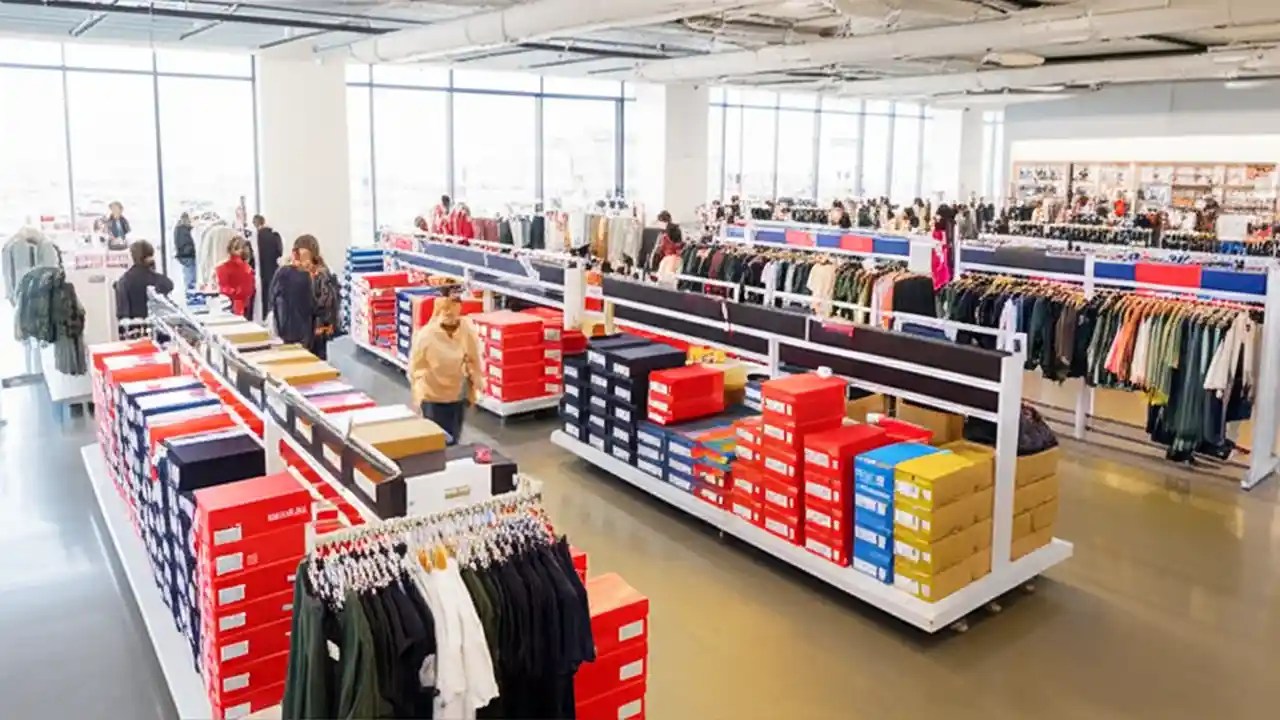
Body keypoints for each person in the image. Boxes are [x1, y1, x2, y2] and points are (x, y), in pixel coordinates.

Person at [408, 287, 483, 445]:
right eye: (446, 310)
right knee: (435, 441)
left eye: (454, 309)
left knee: (453, 439)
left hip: (457, 396)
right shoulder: (426, 336)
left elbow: (473, 359)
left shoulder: (466, 330)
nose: (450, 314)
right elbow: (415, 370)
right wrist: (419, 397)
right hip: (433, 397)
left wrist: (474, 387)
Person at [115, 240, 174, 320]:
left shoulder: (124, 280)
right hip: (157, 325)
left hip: (136, 327)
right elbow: (169, 286)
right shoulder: (158, 279)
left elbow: (122, 313)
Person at [216, 235, 256, 319]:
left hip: (227, 304)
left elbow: (223, 288)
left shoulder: (221, 267)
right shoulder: (247, 269)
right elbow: (249, 290)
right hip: (242, 305)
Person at [252, 214, 283, 318]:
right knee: (271, 296)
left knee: (261, 299)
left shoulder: (254, 237)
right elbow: (280, 252)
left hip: (259, 272)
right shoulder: (274, 235)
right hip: (273, 269)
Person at [173, 212, 197, 291]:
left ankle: (189, 293)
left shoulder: (178, 229)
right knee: (191, 277)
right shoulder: (185, 229)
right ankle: (191, 294)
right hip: (188, 255)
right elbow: (187, 243)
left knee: (188, 276)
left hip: (183, 255)